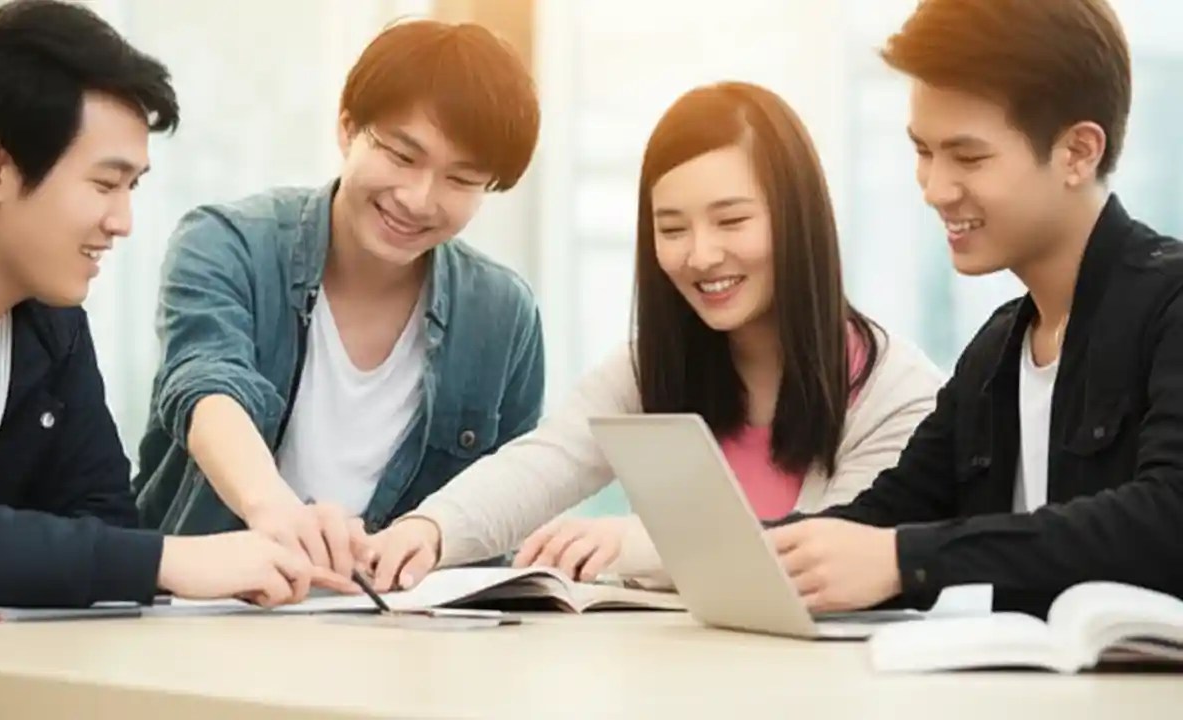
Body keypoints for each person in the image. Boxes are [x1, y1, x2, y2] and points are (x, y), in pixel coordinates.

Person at [364, 81, 944, 592]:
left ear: (797, 217)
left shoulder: (896, 391)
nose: (701, 255)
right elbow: (546, 462)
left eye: (732, 220)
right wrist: (430, 529)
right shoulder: (650, 368)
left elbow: (830, 556)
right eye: (672, 228)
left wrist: (634, 544)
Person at [760, 0, 1183, 616]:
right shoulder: (996, 351)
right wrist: (718, 553)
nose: (935, 189)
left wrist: (905, 558)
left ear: (1078, 152)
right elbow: (883, 519)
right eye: (923, 152)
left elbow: (1168, 517)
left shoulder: (1170, 306)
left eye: (968, 157)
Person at [0, 0, 323, 608]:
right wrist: (169, 560)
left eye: (131, 188)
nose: (122, 222)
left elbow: (102, 516)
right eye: (104, 184)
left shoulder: (51, 324)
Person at [133, 19, 544, 586]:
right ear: (348, 128)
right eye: (402, 156)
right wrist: (275, 511)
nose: (418, 199)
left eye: (461, 180)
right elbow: (205, 385)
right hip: (210, 608)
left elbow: (508, 497)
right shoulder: (228, 245)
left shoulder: (503, 315)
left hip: (405, 626)